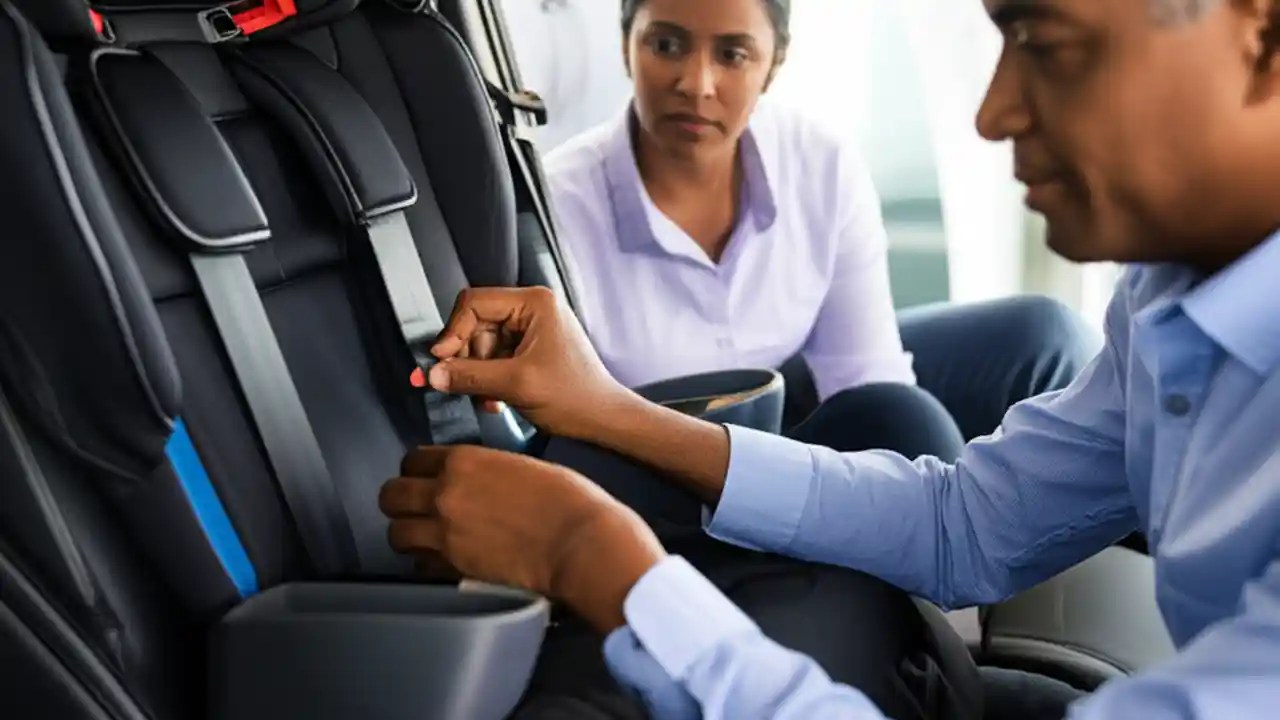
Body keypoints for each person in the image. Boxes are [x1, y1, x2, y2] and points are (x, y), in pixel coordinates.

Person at [381, 0, 1280, 718]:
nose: (991, 109)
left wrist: (604, 565)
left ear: (1264, 35)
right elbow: (964, 526)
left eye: (1046, 40)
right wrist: (609, 409)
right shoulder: (1163, 292)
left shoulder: (821, 166)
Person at [544, 0, 1095, 437]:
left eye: (733, 55)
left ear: (773, 65)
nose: (697, 83)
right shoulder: (555, 205)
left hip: (795, 418)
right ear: (625, 47)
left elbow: (867, 382)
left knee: (1045, 339)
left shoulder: (820, 163)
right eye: (666, 45)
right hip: (651, 464)